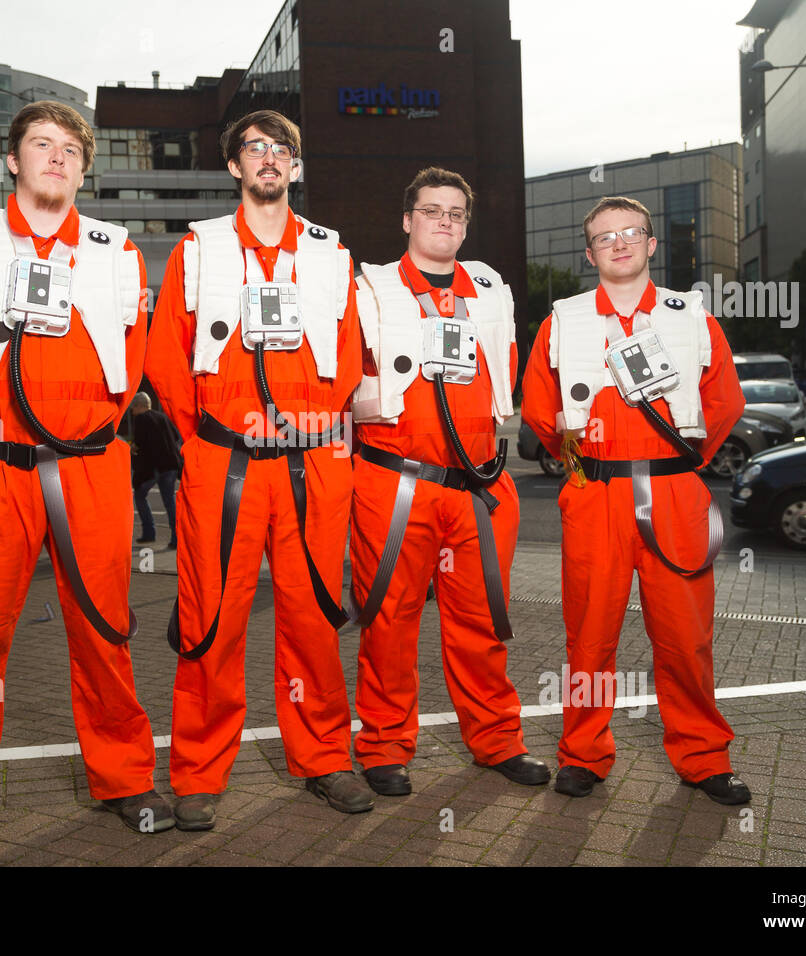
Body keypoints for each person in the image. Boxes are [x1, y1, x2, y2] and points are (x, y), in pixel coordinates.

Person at [0, 100, 171, 857]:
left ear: (84, 170)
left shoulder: (117, 252)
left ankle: (124, 780)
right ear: (12, 161)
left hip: (90, 468)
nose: (57, 156)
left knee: (104, 632)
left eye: (71, 149)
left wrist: (90, 436)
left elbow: (132, 363)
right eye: (41, 144)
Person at [146, 108, 370, 830]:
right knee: (211, 619)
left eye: (282, 148)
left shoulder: (332, 254)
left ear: (295, 167)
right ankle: (199, 771)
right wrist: (205, 439)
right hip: (224, 463)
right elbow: (165, 357)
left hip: (313, 464)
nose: (269, 157)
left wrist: (314, 426)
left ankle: (325, 758)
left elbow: (350, 354)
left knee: (313, 619)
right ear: (234, 165)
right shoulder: (200, 249)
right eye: (255, 147)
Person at [522, 196, 750, 804]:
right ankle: (583, 753)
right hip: (595, 493)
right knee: (589, 637)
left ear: (651, 244)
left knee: (686, 637)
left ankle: (704, 757)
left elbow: (725, 401)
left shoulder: (692, 318)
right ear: (589, 253)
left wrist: (680, 463)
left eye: (631, 232)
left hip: (675, 492)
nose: (619, 243)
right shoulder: (562, 322)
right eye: (605, 236)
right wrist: (584, 466)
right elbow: (541, 411)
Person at [348, 167, 549, 797]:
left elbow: (503, 375)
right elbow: (340, 383)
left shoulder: (489, 291)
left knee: (482, 625)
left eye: (456, 213)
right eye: (432, 211)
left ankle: (497, 740)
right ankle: (384, 746)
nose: (445, 221)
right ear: (407, 220)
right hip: (396, 483)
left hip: (478, 487)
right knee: (388, 624)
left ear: (466, 225)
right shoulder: (369, 291)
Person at [129, 391, 180, 547]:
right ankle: (176, 538)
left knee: (140, 496)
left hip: (152, 468)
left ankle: (149, 532)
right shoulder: (163, 417)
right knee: (169, 501)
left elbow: (139, 443)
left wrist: (132, 449)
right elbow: (176, 437)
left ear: (139, 406)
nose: (132, 411)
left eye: (133, 408)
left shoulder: (141, 419)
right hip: (170, 465)